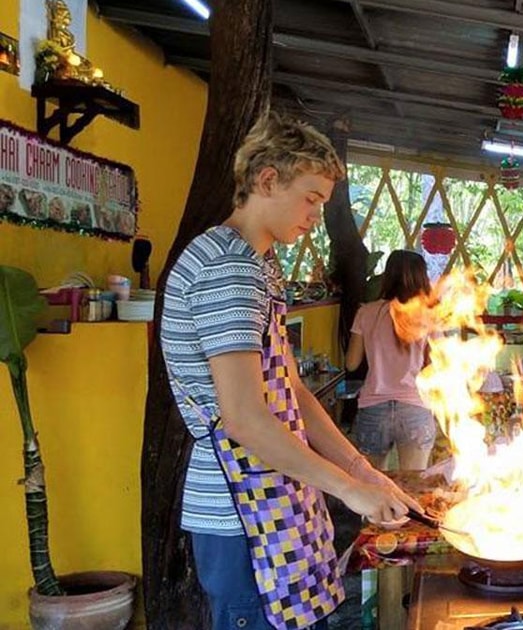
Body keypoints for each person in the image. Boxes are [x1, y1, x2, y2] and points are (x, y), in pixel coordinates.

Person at [161, 112, 422, 630]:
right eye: (310, 198)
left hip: (276, 499)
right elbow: (244, 419)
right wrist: (348, 490)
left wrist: (362, 470)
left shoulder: (257, 264)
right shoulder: (226, 270)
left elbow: (293, 391)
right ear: (267, 180)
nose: (316, 214)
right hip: (242, 517)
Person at [345, 250, 438, 471]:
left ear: (388, 275)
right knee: (415, 487)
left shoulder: (366, 312)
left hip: (373, 408)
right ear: (421, 277)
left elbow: (351, 363)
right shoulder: (428, 316)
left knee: (375, 489)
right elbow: (436, 367)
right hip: (415, 406)